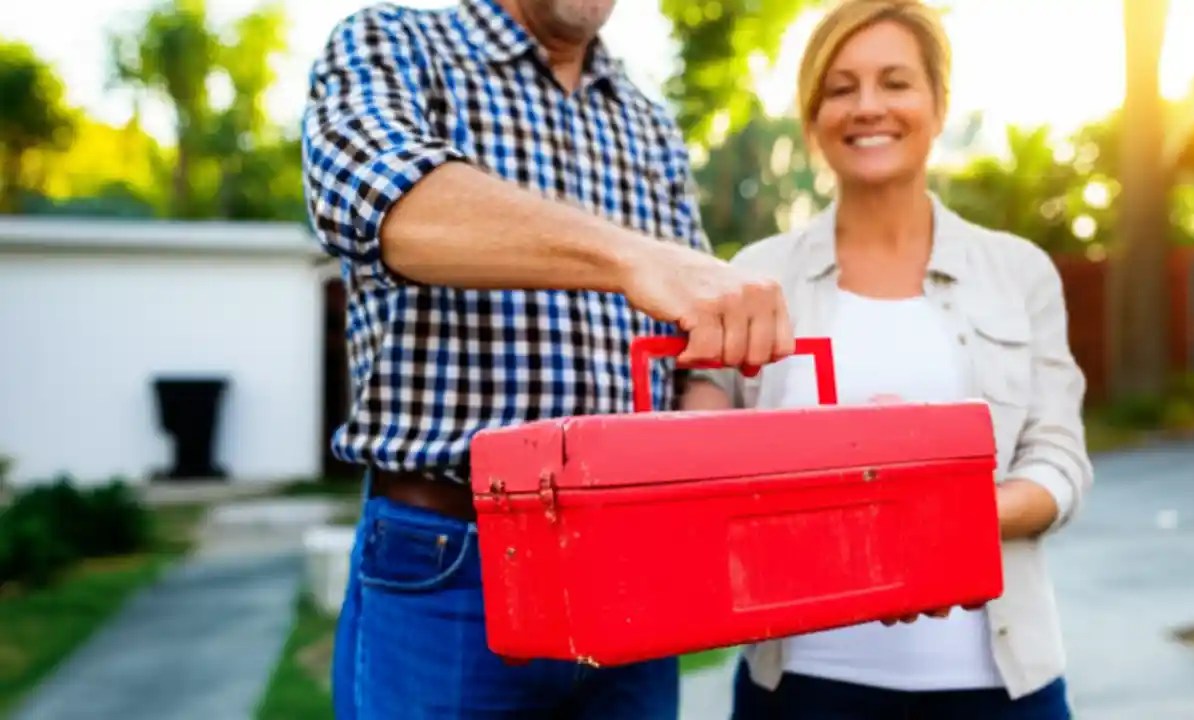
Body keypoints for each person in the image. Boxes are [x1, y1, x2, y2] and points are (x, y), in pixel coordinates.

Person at [300, 0, 793, 717]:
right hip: (452, 560)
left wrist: (700, 476)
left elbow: (693, 362)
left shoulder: (647, 121)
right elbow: (373, 197)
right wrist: (629, 257)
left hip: (633, 564)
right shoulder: (396, 40)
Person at [680, 1, 1093, 718]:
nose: (868, 106)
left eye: (895, 82)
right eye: (841, 88)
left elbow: (1058, 464)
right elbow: (699, 455)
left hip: (997, 688)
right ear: (813, 118)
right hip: (803, 685)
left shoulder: (1018, 272)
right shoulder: (755, 273)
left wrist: (936, 516)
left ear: (937, 103)